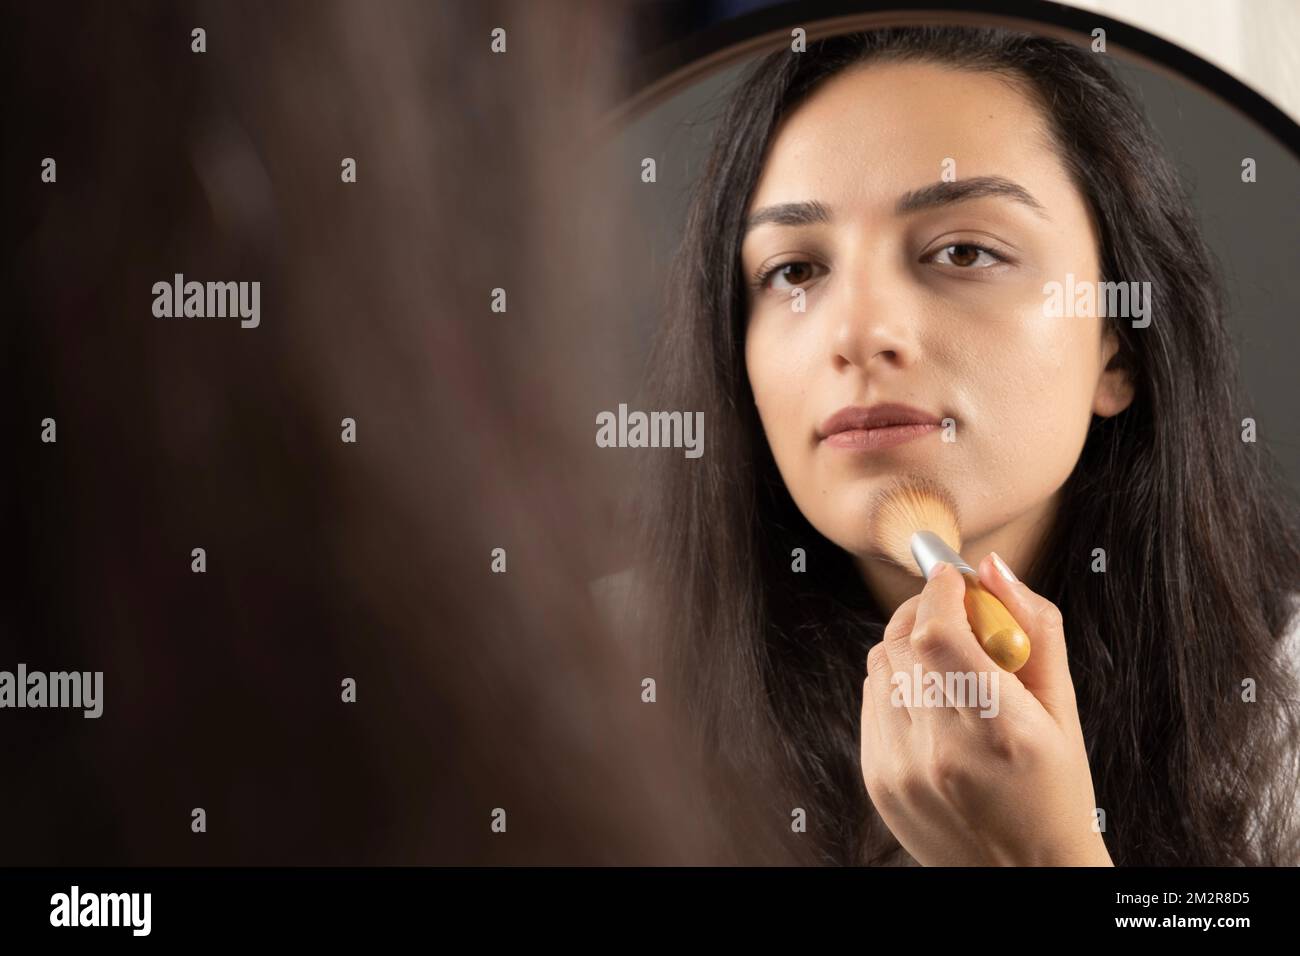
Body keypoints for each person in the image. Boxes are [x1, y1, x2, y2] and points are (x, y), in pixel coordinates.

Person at [615, 25, 1300, 866]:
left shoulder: (1283, 713)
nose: (859, 332)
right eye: (794, 271)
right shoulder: (580, 685)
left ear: (1116, 348)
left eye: (964, 251)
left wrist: (1043, 856)